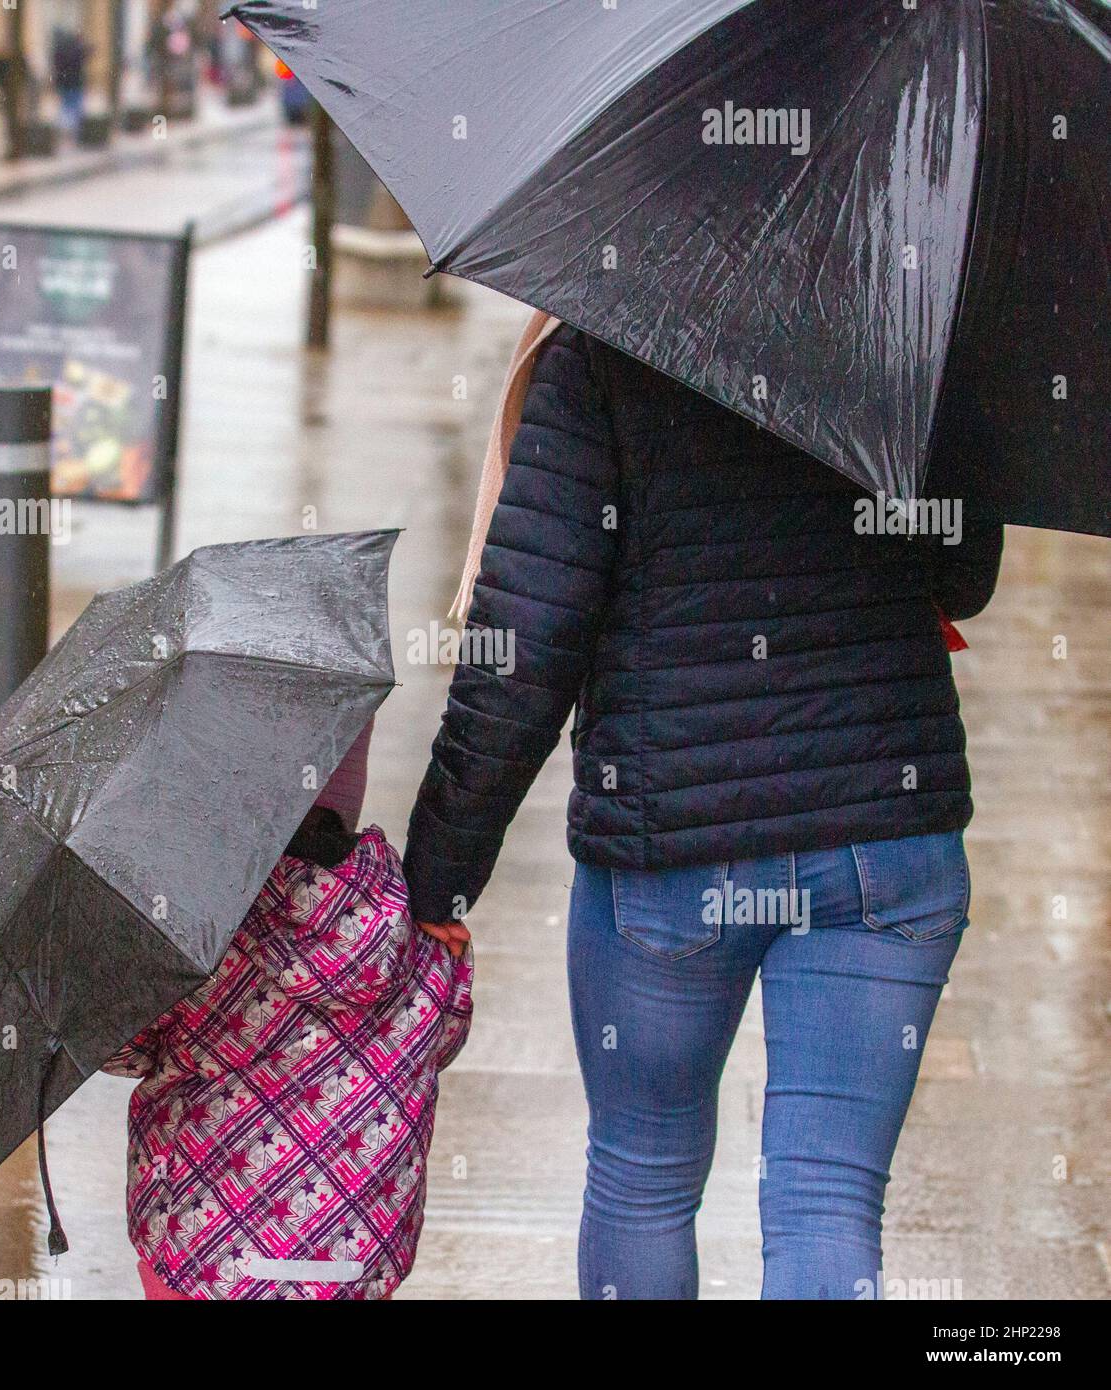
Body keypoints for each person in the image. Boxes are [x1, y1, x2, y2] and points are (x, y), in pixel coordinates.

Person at [404, 311, 1005, 1300]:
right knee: (828, 1199)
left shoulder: (599, 343)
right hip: (882, 833)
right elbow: (962, 573)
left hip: (671, 847)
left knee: (641, 1176)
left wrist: (439, 875)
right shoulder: (912, 327)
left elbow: (526, 639)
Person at [103, 721, 472, 1300]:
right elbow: (443, 1034)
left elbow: (121, 1044)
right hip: (351, 1253)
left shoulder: (194, 927)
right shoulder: (406, 924)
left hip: (200, 1250)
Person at [50, 27, 88, 137]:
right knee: (74, 106)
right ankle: (72, 130)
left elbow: (56, 66)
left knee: (66, 106)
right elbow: (85, 54)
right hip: (75, 82)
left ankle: (66, 128)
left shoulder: (60, 51)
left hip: (65, 82)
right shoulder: (76, 51)